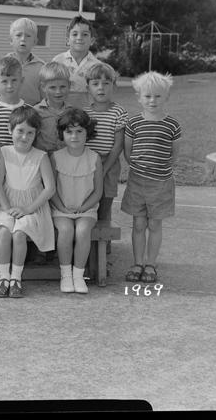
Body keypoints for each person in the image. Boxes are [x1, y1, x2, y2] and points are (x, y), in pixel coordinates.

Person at [121, 71, 181, 285]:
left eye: (158, 96)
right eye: (147, 96)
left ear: (166, 98)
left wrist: (160, 169)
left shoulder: (172, 125)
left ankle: (151, 264)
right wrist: (139, 168)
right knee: (138, 223)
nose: (152, 100)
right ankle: (137, 263)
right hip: (137, 181)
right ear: (139, 97)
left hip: (161, 183)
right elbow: (128, 152)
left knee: (155, 224)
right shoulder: (134, 123)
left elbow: (174, 154)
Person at [0, 105, 56, 298]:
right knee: (4, 230)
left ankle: (16, 279)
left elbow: (49, 188)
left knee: (19, 233)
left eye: (30, 132)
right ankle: (3, 278)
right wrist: (7, 208)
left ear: (36, 134)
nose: (24, 137)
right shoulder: (4, 152)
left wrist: (27, 209)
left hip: (32, 206)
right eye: (20, 131)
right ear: (10, 130)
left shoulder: (41, 156)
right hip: (7, 204)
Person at [49, 108, 103, 294]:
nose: (74, 136)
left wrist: (83, 208)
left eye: (79, 131)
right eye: (69, 132)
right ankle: (66, 275)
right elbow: (52, 189)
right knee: (65, 230)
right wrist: (62, 207)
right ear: (62, 134)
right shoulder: (55, 157)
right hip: (61, 208)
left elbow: (98, 192)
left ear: (88, 132)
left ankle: (79, 275)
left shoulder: (94, 158)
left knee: (82, 231)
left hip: (86, 209)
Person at [83, 62, 127, 221]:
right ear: (88, 88)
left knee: (104, 207)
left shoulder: (119, 112)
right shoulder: (85, 114)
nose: (101, 88)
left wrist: (105, 168)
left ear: (113, 86)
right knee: (87, 203)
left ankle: (103, 243)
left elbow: (118, 145)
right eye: (95, 84)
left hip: (109, 164)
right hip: (87, 165)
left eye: (106, 83)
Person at [51, 15, 101, 109]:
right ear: (67, 40)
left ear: (92, 40)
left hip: (88, 116)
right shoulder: (57, 61)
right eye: (74, 34)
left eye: (85, 34)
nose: (79, 38)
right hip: (61, 115)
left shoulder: (97, 66)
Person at [33, 62, 73, 153]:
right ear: (43, 87)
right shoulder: (36, 112)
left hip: (65, 159)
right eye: (52, 87)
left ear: (69, 86)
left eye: (62, 87)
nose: (58, 92)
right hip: (42, 160)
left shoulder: (72, 112)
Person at [5, 17, 45, 105]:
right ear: (11, 40)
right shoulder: (3, 64)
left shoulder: (41, 67)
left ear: (35, 42)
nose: (23, 39)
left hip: (33, 113)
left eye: (28, 35)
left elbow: (44, 96)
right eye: (18, 35)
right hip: (7, 112)